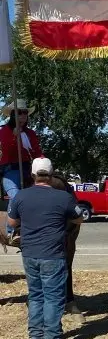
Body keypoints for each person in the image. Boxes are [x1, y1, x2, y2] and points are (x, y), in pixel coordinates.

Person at [8, 157, 83, 339]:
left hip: (29, 254)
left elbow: (12, 222)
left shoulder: (20, 196)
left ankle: (36, 337)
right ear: (51, 174)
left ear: (33, 175)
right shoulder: (64, 197)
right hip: (53, 254)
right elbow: (79, 219)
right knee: (53, 297)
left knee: (35, 295)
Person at [1, 99, 43, 239]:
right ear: (13, 115)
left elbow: (37, 152)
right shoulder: (4, 131)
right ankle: (11, 230)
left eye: (25, 112)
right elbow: (7, 151)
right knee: (16, 196)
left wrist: (44, 162)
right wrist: (14, 137)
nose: (23, 115)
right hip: (10, 170)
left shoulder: (31, 133)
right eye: (19, 112)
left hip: (28, 169)